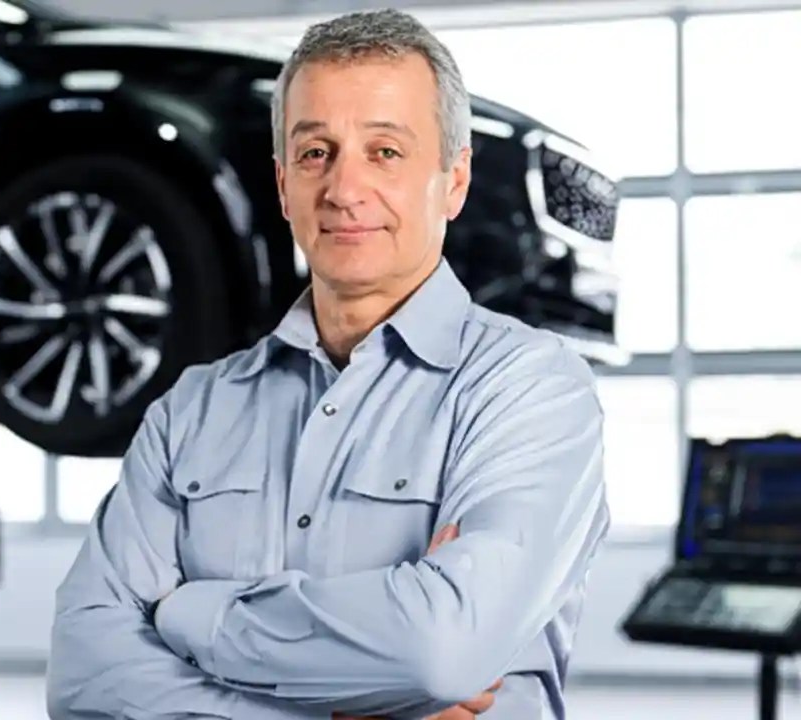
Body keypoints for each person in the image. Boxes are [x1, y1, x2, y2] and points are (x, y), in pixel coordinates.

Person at [46, 8, 610, 720]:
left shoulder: (529, 391)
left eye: (385, 152)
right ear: (283, 185)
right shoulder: (190, 411)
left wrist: (193, 616)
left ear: (455, 180)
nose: (344, 190)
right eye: (317, 153)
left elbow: (443, 651)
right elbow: (83, 673)